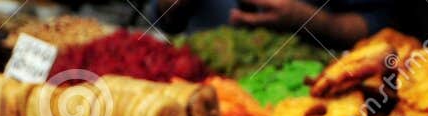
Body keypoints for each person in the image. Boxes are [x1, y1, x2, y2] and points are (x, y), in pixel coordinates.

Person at [152, 0, 398, 47]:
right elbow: (162, 20)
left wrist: (311, 21)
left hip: (299, 87)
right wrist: (173, 5)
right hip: (193, 81)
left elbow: (381, 23)